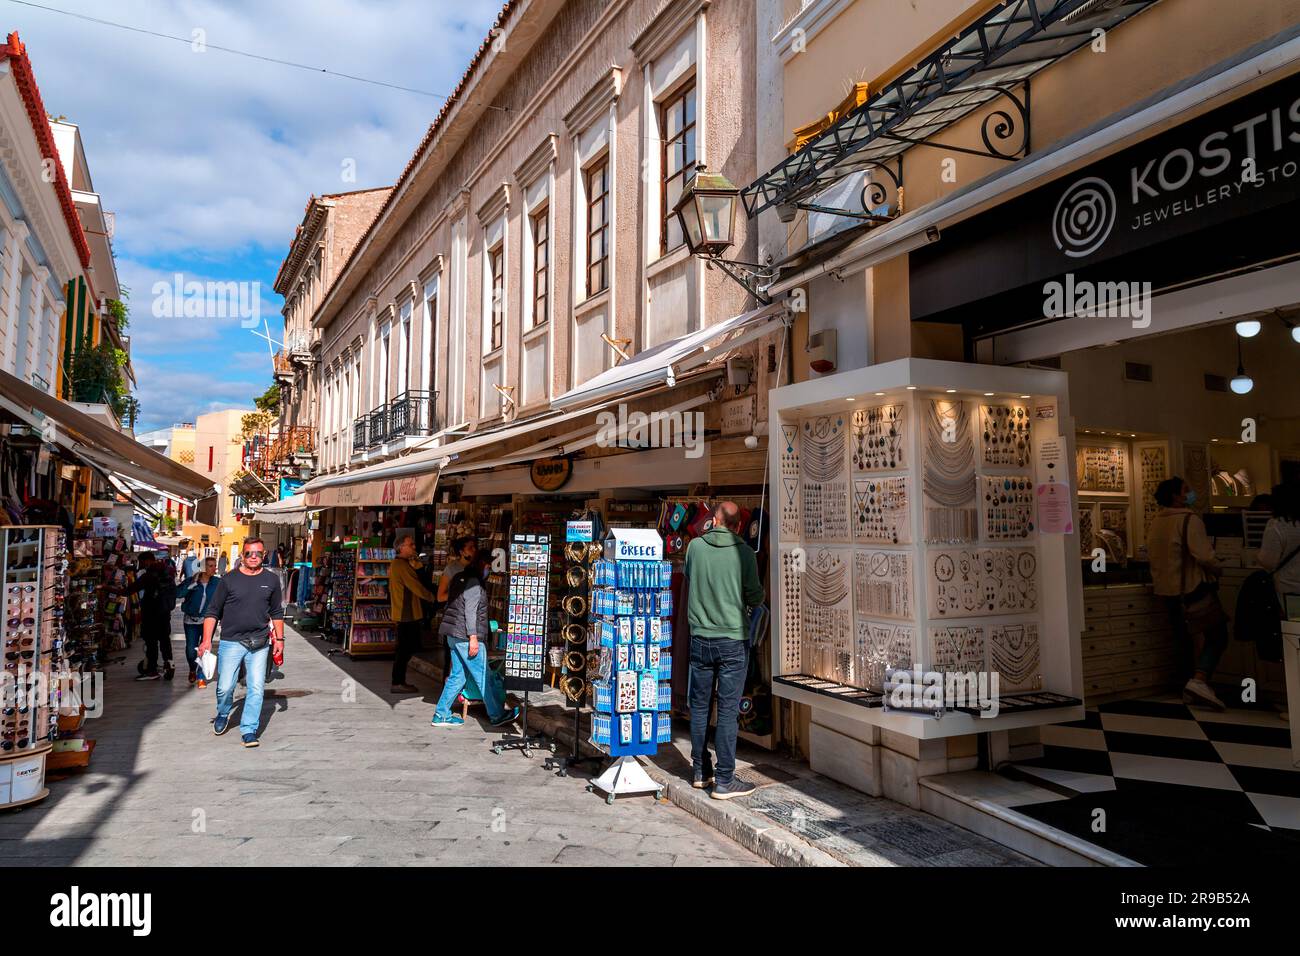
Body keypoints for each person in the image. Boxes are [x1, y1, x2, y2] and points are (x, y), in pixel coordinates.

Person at [684, 500, 765, 800]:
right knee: (728, 712)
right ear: (739, 525)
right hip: (732, 640)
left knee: (700, 707)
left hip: (700, 639)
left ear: (713, 520)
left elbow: (693, 579)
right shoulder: (744, 553)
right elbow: (756, 596)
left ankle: (699, 771)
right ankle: (725, 779)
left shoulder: (694, 548)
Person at [1148, 476, 1229, 710]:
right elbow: (1204, 556)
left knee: (1183, 641)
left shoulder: (1156, 522)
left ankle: (1187, 688)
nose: (1191, 492)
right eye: (1187, 489)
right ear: (1177, 496)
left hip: (1168, 592)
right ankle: (1200, 680)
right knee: (1218, 635)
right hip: (1193, 589)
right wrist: (1218, 567)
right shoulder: (1189, 520)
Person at [198, 537, 285, 748]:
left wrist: (280, 640)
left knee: (256, 687)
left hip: (260, 642)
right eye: (249, 553)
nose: (253, 557)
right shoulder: (228, 579)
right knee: (225, 687)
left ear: (263, 555)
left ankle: (249, 730)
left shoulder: (272, 580)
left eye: (257, 553)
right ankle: (223, 712)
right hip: (231, 642)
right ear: (242, 556)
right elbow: (212, 611)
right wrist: (206, 640)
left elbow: (276, 612)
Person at [431, 562, 518, 729]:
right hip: (465, 637)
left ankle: (441, 714)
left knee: (458, 676)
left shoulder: (458, 578)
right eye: (487, 567)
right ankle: (497, 715)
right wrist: (473, 638)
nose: (489, 570)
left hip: (452, 634)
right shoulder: (474, 584)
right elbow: (470, 612)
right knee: (484, 677)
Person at [388, 534, 436, 694]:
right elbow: (417, 586)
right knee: (404, 649)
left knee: (407, 647)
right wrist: (433, 598)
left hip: (408, 612)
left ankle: (399, 681)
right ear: (401, 547)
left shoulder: (404, 564)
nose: (414, 547)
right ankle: (397, 682)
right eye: (411, 544)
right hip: (405, 613)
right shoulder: (400, 566)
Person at [134, 553, 177, 681]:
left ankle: (152, 671)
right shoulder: (167, 573)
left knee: (151, 642)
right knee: (165, 640)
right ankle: (169, 664)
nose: (140, 565)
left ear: (147, 561)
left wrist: (106, 587)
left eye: (141, 562)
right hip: (164, 614)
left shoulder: (148, 576)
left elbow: (130, 589)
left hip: (151, 615)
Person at [181, 556, 221, 686]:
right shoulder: (192, 580)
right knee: (191, 650)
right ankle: (192, 668)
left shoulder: (218, 582)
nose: (214, 568)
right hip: (191, 620)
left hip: (208, 620)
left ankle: (201, 675)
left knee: (205, 647)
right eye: (210, 566)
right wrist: (192, 584)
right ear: (203, 567)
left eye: (215, 565)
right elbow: (178, 593)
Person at [1258, 481, 1300, 604]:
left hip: (1288, 588)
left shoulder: (1276, 525)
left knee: (1292, 621)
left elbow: (1268, 562)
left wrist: (1257, 555)